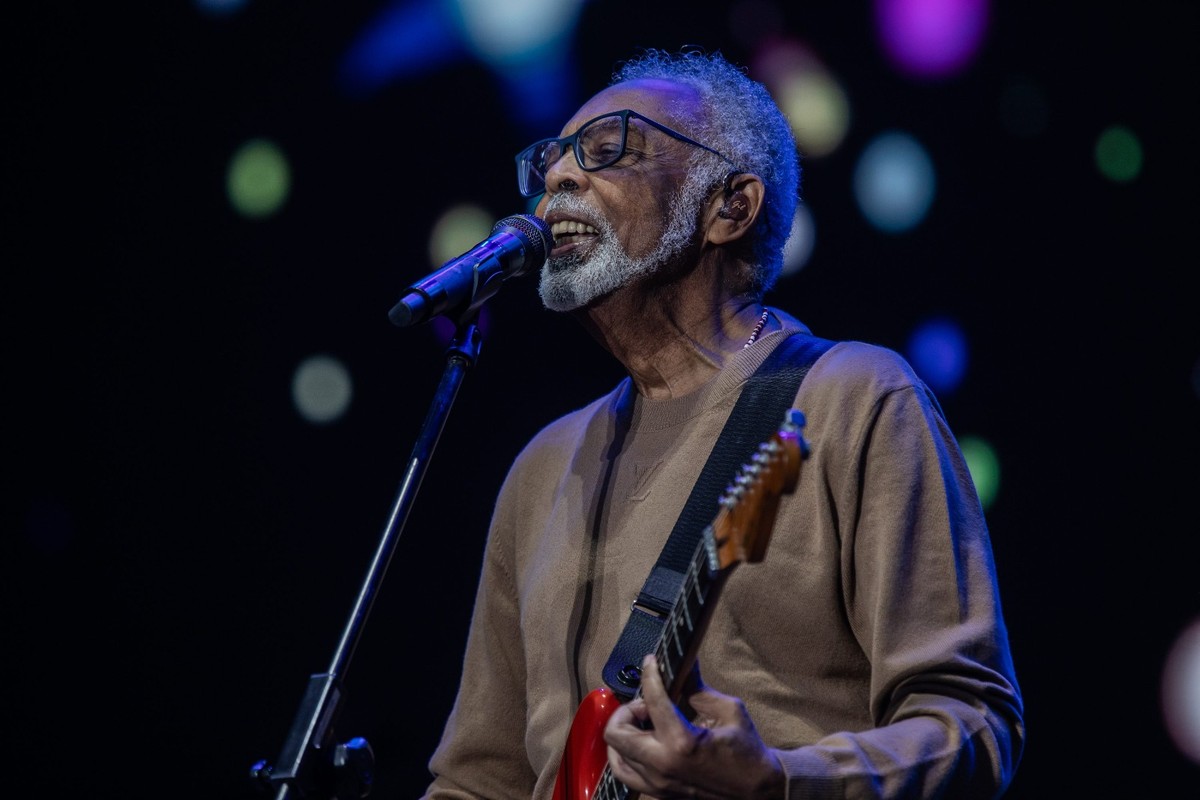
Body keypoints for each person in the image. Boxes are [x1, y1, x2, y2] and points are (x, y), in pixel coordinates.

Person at [420, 47, 1024, 799]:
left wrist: (779, 782)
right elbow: (479, 779)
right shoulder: (541, 467)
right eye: (551, 159)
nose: (558, 178)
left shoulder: (854, 398)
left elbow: (971, 723)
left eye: (608, 149)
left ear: (729, 206)